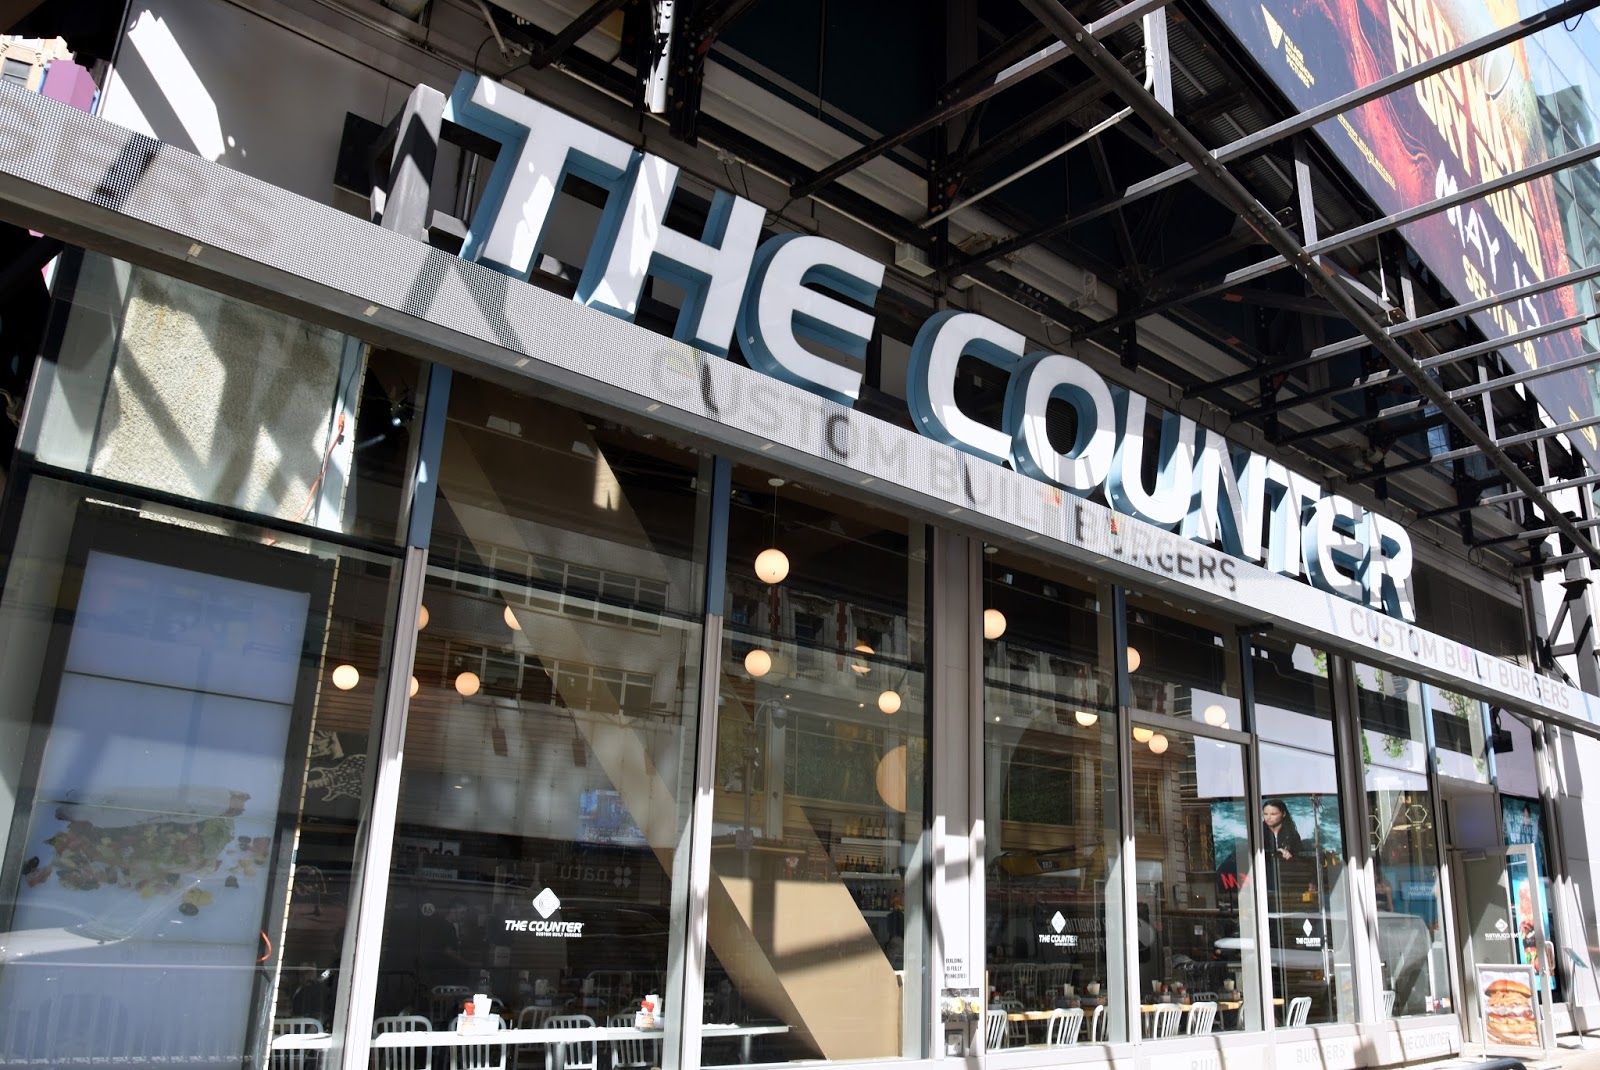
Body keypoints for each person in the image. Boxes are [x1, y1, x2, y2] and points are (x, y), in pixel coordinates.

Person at [1261, 799, 1304, 899]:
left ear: (1283, 814)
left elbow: (1300, 856)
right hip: (1265, 877)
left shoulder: (1292, 833)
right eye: (1265, 814)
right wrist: (1275, 852)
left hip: (1287, 879)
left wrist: (1290, 852)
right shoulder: (1259, 832)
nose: (1268, 817)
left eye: (1273, 814)